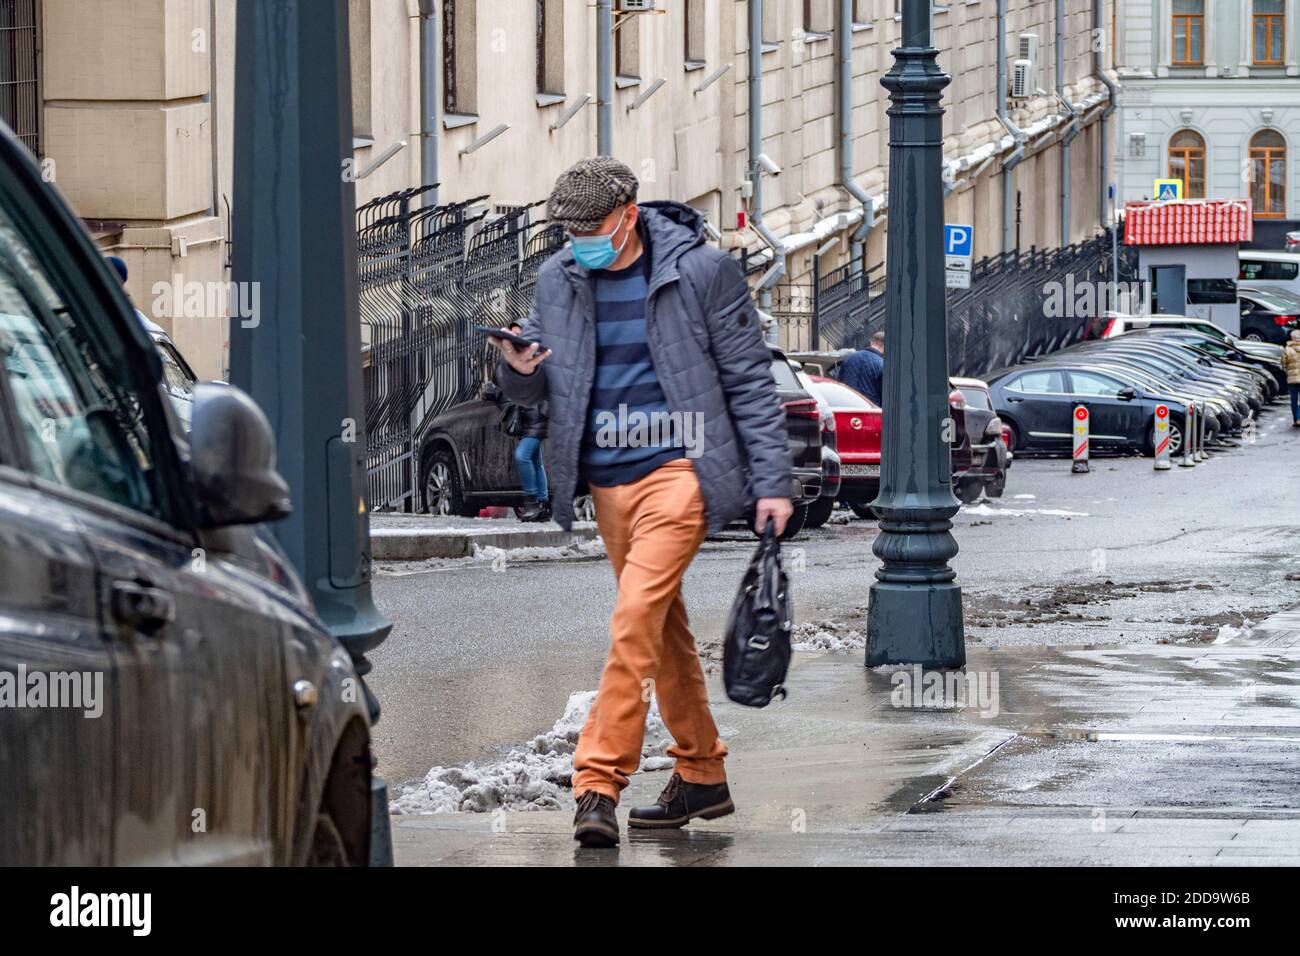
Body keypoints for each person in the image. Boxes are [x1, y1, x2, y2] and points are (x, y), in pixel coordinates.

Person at [492, 156, 793, 849]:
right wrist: (519, 373)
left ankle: (596, 783)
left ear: (628, 215)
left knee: (632, 622)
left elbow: (749, 378)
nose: (577, 243)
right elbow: (537, 394)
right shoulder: (557, 280)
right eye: (566, 232)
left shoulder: (702, 273)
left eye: (588, 229)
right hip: (606, 478)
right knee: (659, 630)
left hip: (679, 469)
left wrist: (772, 481)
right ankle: (702, 772)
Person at [506, 322, 551, 521]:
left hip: (538, 417)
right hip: (527, 418)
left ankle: (531, 501)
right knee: (535, 461)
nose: (515, 338)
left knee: (522, 456)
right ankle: (542, 506)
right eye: (513, 334)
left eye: (518, 334)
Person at [838, 329, 885, 405]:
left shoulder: (849, 357)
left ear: (871, 342)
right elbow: (883, 392)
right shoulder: (881, 364)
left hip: (846, 404)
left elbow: (839, 381)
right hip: (869, 408)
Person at [1285, 329, 1300, 427]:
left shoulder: (1287, 349)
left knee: (1294, 399)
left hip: (1292, 379)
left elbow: (1283, 363)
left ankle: (1296, 419)